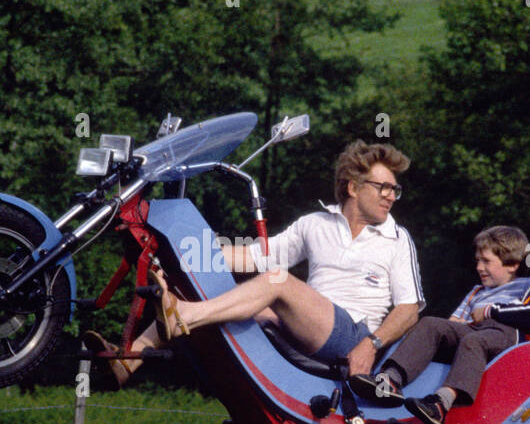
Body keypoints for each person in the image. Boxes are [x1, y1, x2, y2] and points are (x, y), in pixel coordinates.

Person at [104, 141, 426, 383]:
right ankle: (129, 360)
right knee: (230, 299)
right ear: (353, 187)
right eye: (383, 187)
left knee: (278, 281)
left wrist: (372, 344)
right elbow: (254, 256)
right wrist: (183, 250)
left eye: (394, 189)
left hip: (354, 336)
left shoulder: (397, 239)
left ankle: (184, 316)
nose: (391, 195)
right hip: (310, 327)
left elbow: (409, 309)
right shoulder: (315, 224)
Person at [353, 212, 530, 424]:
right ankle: (390, 379)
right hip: (498, 331)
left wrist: (490, 311)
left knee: (475, 341)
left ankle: (441, 403)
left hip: (519, 342)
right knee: (431, 324)